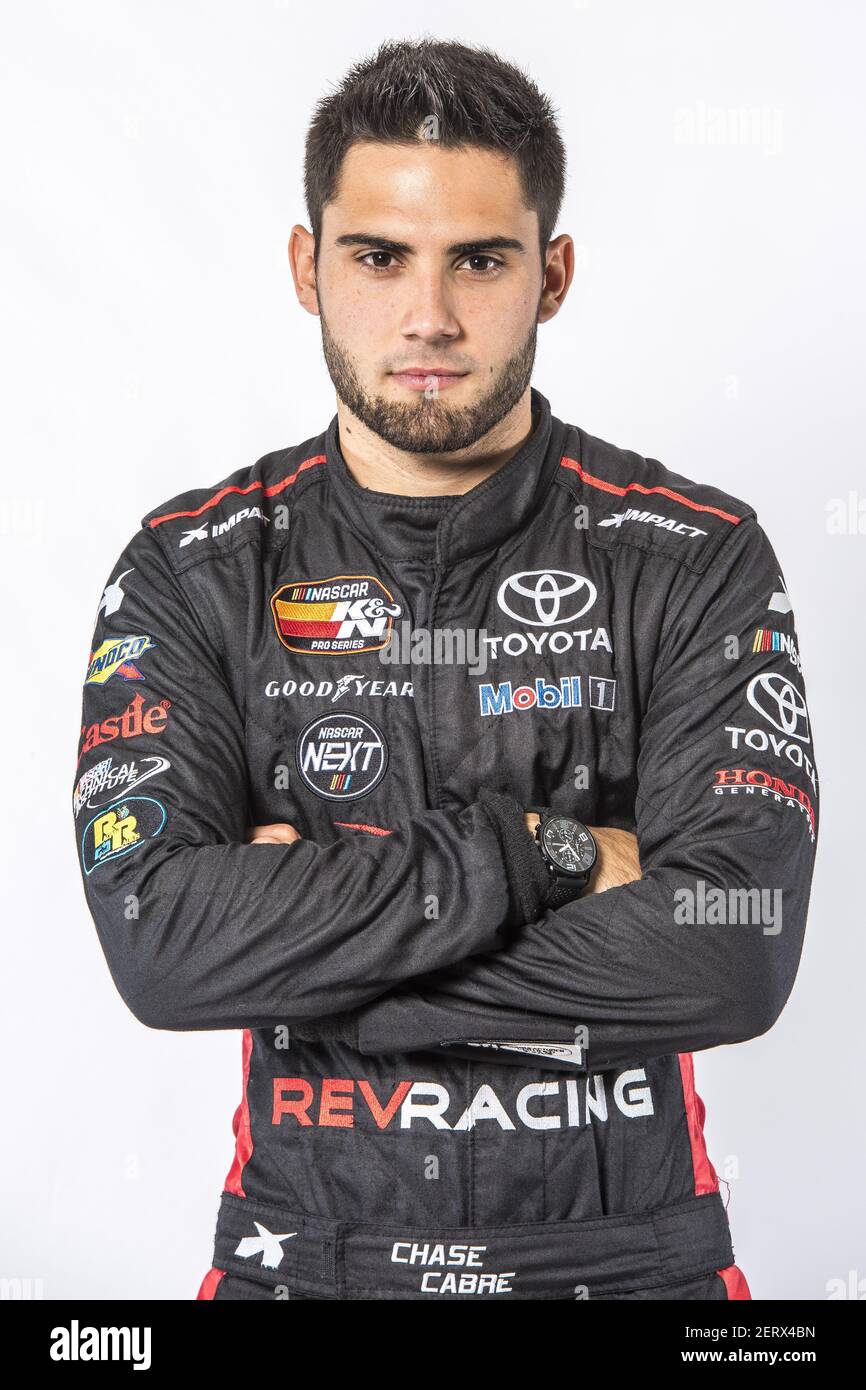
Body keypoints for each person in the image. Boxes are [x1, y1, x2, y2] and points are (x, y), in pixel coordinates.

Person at [73, 38, 818, 1301]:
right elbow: (164, 947)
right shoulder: (193, 566)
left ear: (554, 274)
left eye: (479, 258)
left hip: (631, 1264)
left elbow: (728, 948)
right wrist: (553, 856)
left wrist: (321, 959)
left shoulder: (694, 554)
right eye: (379, 256)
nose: (429, 315)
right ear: (309, 268)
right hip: (301, 1261)